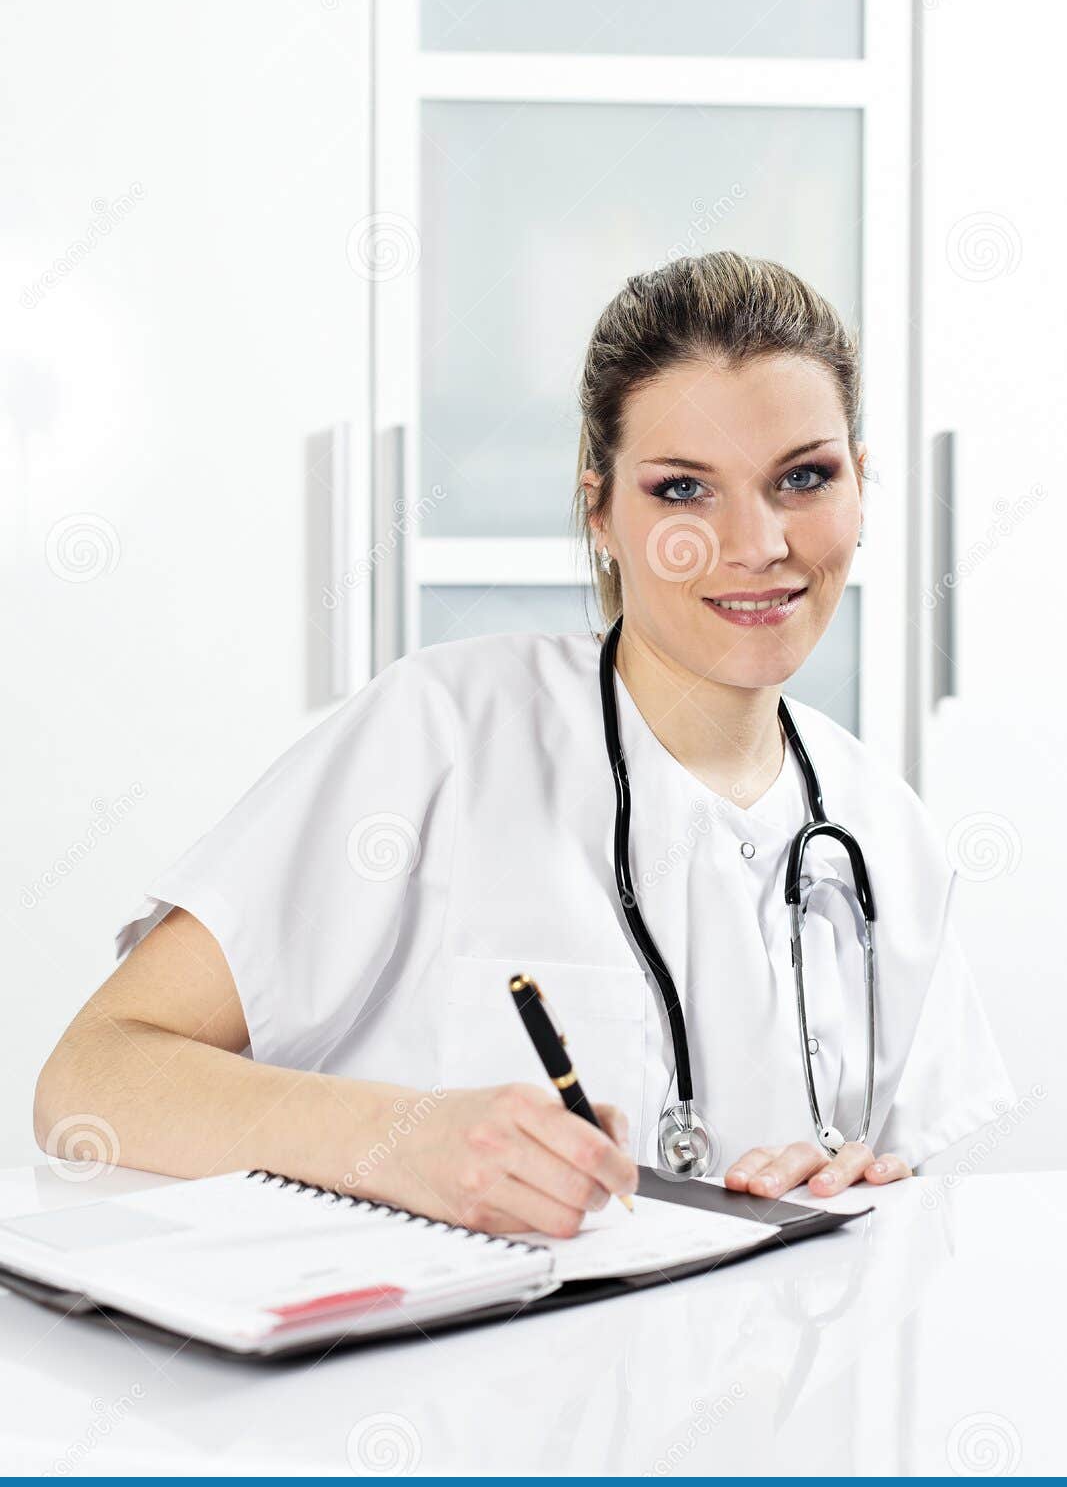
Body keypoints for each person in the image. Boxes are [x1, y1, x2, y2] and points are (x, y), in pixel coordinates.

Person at [35, 251, 1015, 1238]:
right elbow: (93, 1075)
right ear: (599, 508)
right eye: (682, 490)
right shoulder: (441, 732)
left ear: (859, 483)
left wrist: (864, 1198)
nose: (756, 541)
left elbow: (946, 1214)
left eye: (802, 476)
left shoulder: (883, 829)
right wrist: (401, 1138)